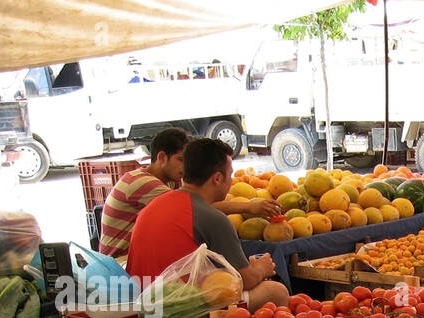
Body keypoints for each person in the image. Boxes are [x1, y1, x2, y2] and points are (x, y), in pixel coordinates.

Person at [126, 137, 288, 308]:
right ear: (217, 178)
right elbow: (246, 280)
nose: (231, 181)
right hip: (174, 308)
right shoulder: (213, 218)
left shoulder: (156, 204)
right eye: (230, 174)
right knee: (275, 292)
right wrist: (262, 268)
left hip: (138, 302)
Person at [100, 126, 279, 262]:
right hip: (120, 265)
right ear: (162, 158)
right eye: (180, 160)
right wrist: (250, 206)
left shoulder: (171, 180)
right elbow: (194, 208)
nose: (185, 167)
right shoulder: (141, 182)